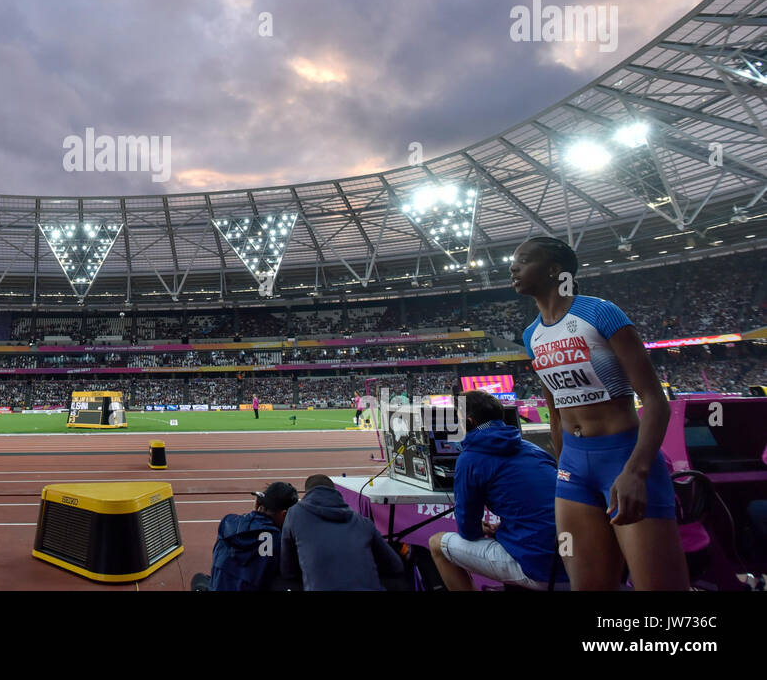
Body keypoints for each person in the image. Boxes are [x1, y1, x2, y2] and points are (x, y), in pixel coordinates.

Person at [513, 236, 687, 590]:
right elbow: (556, 412)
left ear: (552, 270)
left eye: (523, 260)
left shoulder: (600, 313)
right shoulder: (531, 335)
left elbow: (655, 402)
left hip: (624, 459)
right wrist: (563, 467)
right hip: (573, 470)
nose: (512, 268)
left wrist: (636, 472)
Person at [428, 390, 560, 590]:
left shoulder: (470, 458)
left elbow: (468, 531)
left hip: (540, 568)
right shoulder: (533, 449)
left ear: (470, 422)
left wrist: (479, 527)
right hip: (577, 560)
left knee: (437, 544)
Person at [280, 474, 404, 590]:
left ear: (307, 494)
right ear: (335, 493)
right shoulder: (362, 521)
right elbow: (395, 566)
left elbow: (288, 570)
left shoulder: (294, 514)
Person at [191, 482, 300, 591]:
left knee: (200, 578)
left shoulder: (227, 522)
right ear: (284, 515)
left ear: (258, 504)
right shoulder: (279, 539)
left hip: (219, 587)